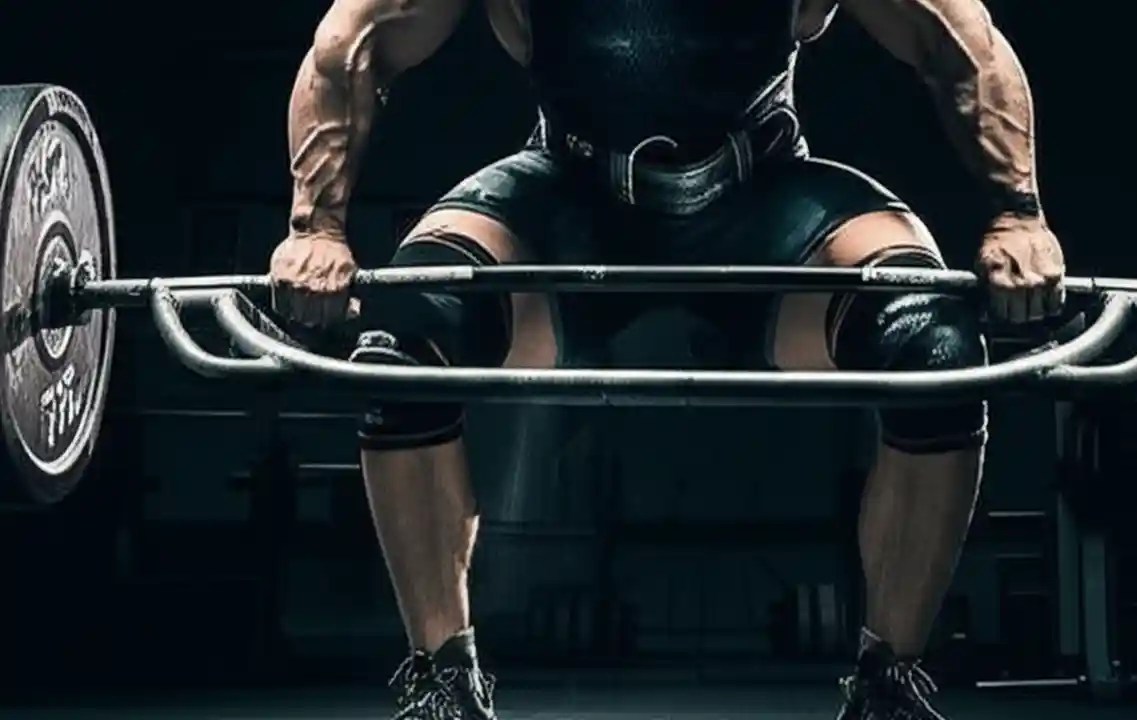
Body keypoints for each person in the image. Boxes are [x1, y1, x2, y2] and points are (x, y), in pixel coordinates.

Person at [268, 1, 1065, 718]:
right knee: (404, 340)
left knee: (934, 345)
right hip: (565, 201)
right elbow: (352, 44)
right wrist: (316, 228)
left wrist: (1018, 212)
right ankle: (445, 683)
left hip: (763, 203)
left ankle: (888, 684)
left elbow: (961, 45)